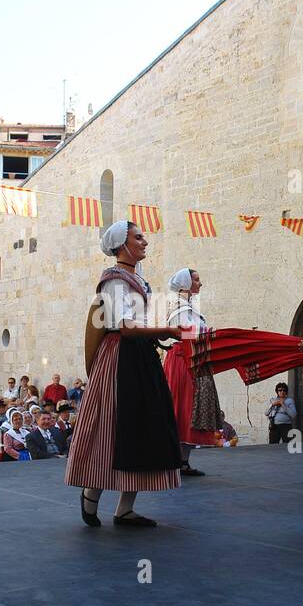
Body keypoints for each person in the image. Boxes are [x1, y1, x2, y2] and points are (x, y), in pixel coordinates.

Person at [66, 220, 184, 527]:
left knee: (142, 428)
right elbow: (125, 326)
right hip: (119, 359)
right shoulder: (114, 281)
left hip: (139, 357)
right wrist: (168, 329)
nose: (145, 242)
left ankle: (124, 508)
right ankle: (91, 495)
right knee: (113, 427)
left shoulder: (136, 279)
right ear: (122, 244)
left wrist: (156, 335)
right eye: (138, 237)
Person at [162, 266, 223, 476]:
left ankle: (183, 461)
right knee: (182, 409)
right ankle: (174, 460)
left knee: (192, 411)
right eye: (196, 280)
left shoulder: (190, 306)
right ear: (186, 283)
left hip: (195, 360)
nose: (200, 283)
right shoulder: (177, 306)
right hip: (182, 361)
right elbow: (184, 333)